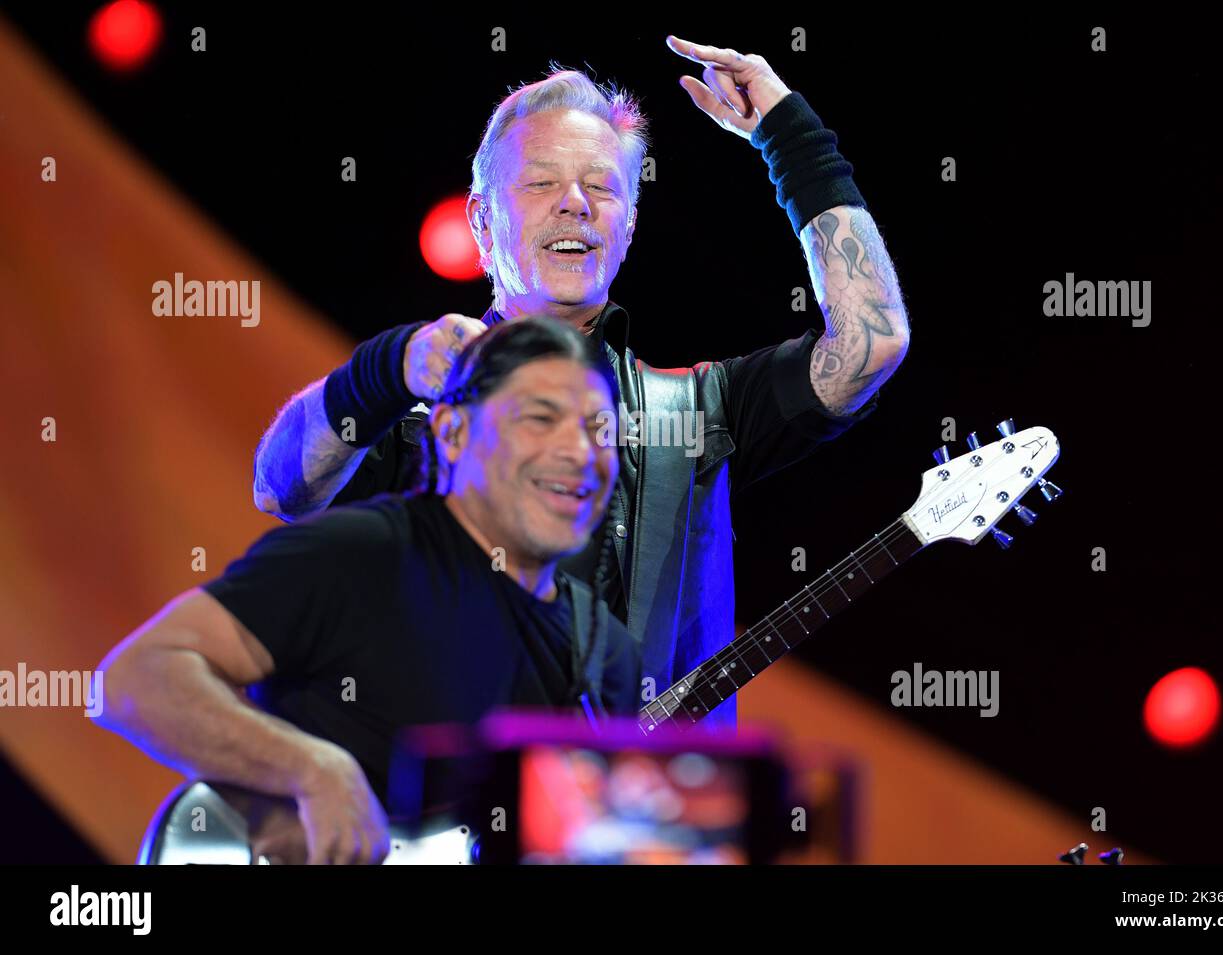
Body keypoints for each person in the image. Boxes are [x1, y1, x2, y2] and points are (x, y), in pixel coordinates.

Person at [251, 38, 910, 730]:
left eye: (601, 186)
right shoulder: (415, 405)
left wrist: (789, 134)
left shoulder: (697, 410)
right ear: (481, 221)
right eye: (540, 183)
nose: (575, 203)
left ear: (627, 225)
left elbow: (874, 342)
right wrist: (385, 367)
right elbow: (280, 486)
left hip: (646, 826)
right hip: (442, 819)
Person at [94, 317, 639, 864]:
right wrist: (311, 770)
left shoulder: (608, 653)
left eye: (598, 429)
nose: (578, 451)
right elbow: (135, 677)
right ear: (452, 433)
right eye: (540, 419)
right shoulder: (361, 552)